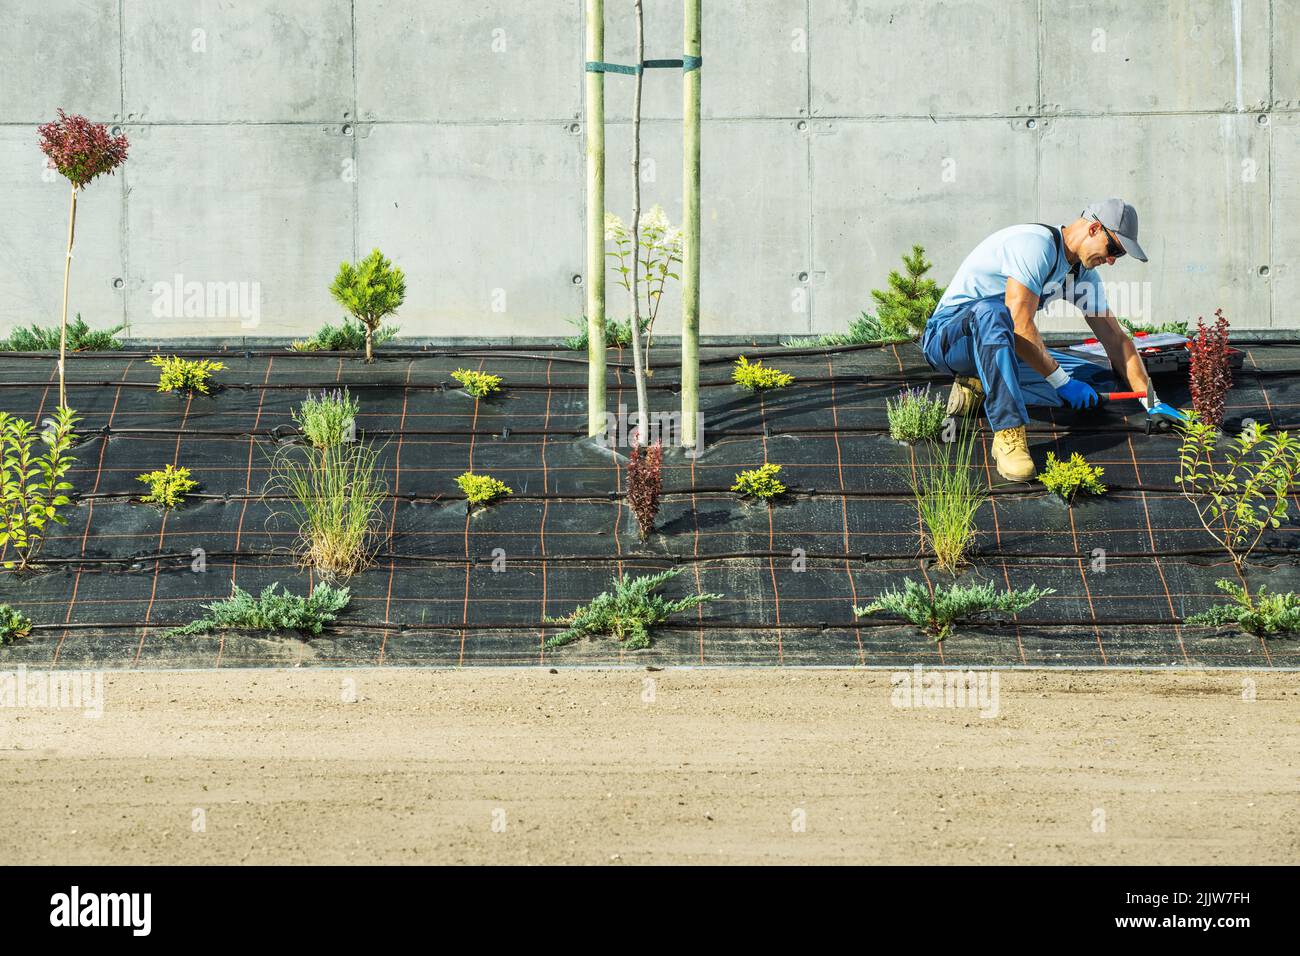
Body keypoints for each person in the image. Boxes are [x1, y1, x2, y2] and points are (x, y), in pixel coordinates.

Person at [921, 199, 1185, 482]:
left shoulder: (1081, 274)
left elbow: (1116, 340)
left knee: (1100, 385)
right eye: (1114, 250)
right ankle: (1008, 434)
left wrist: (1151, 399)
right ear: (1094, 228)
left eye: (1118, 256)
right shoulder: (1035, 246)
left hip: (999, 345)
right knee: (995, 313)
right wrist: (1061, 381)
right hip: (950, 339)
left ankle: (981, 385)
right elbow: (1020, 323)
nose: (1111, 261)